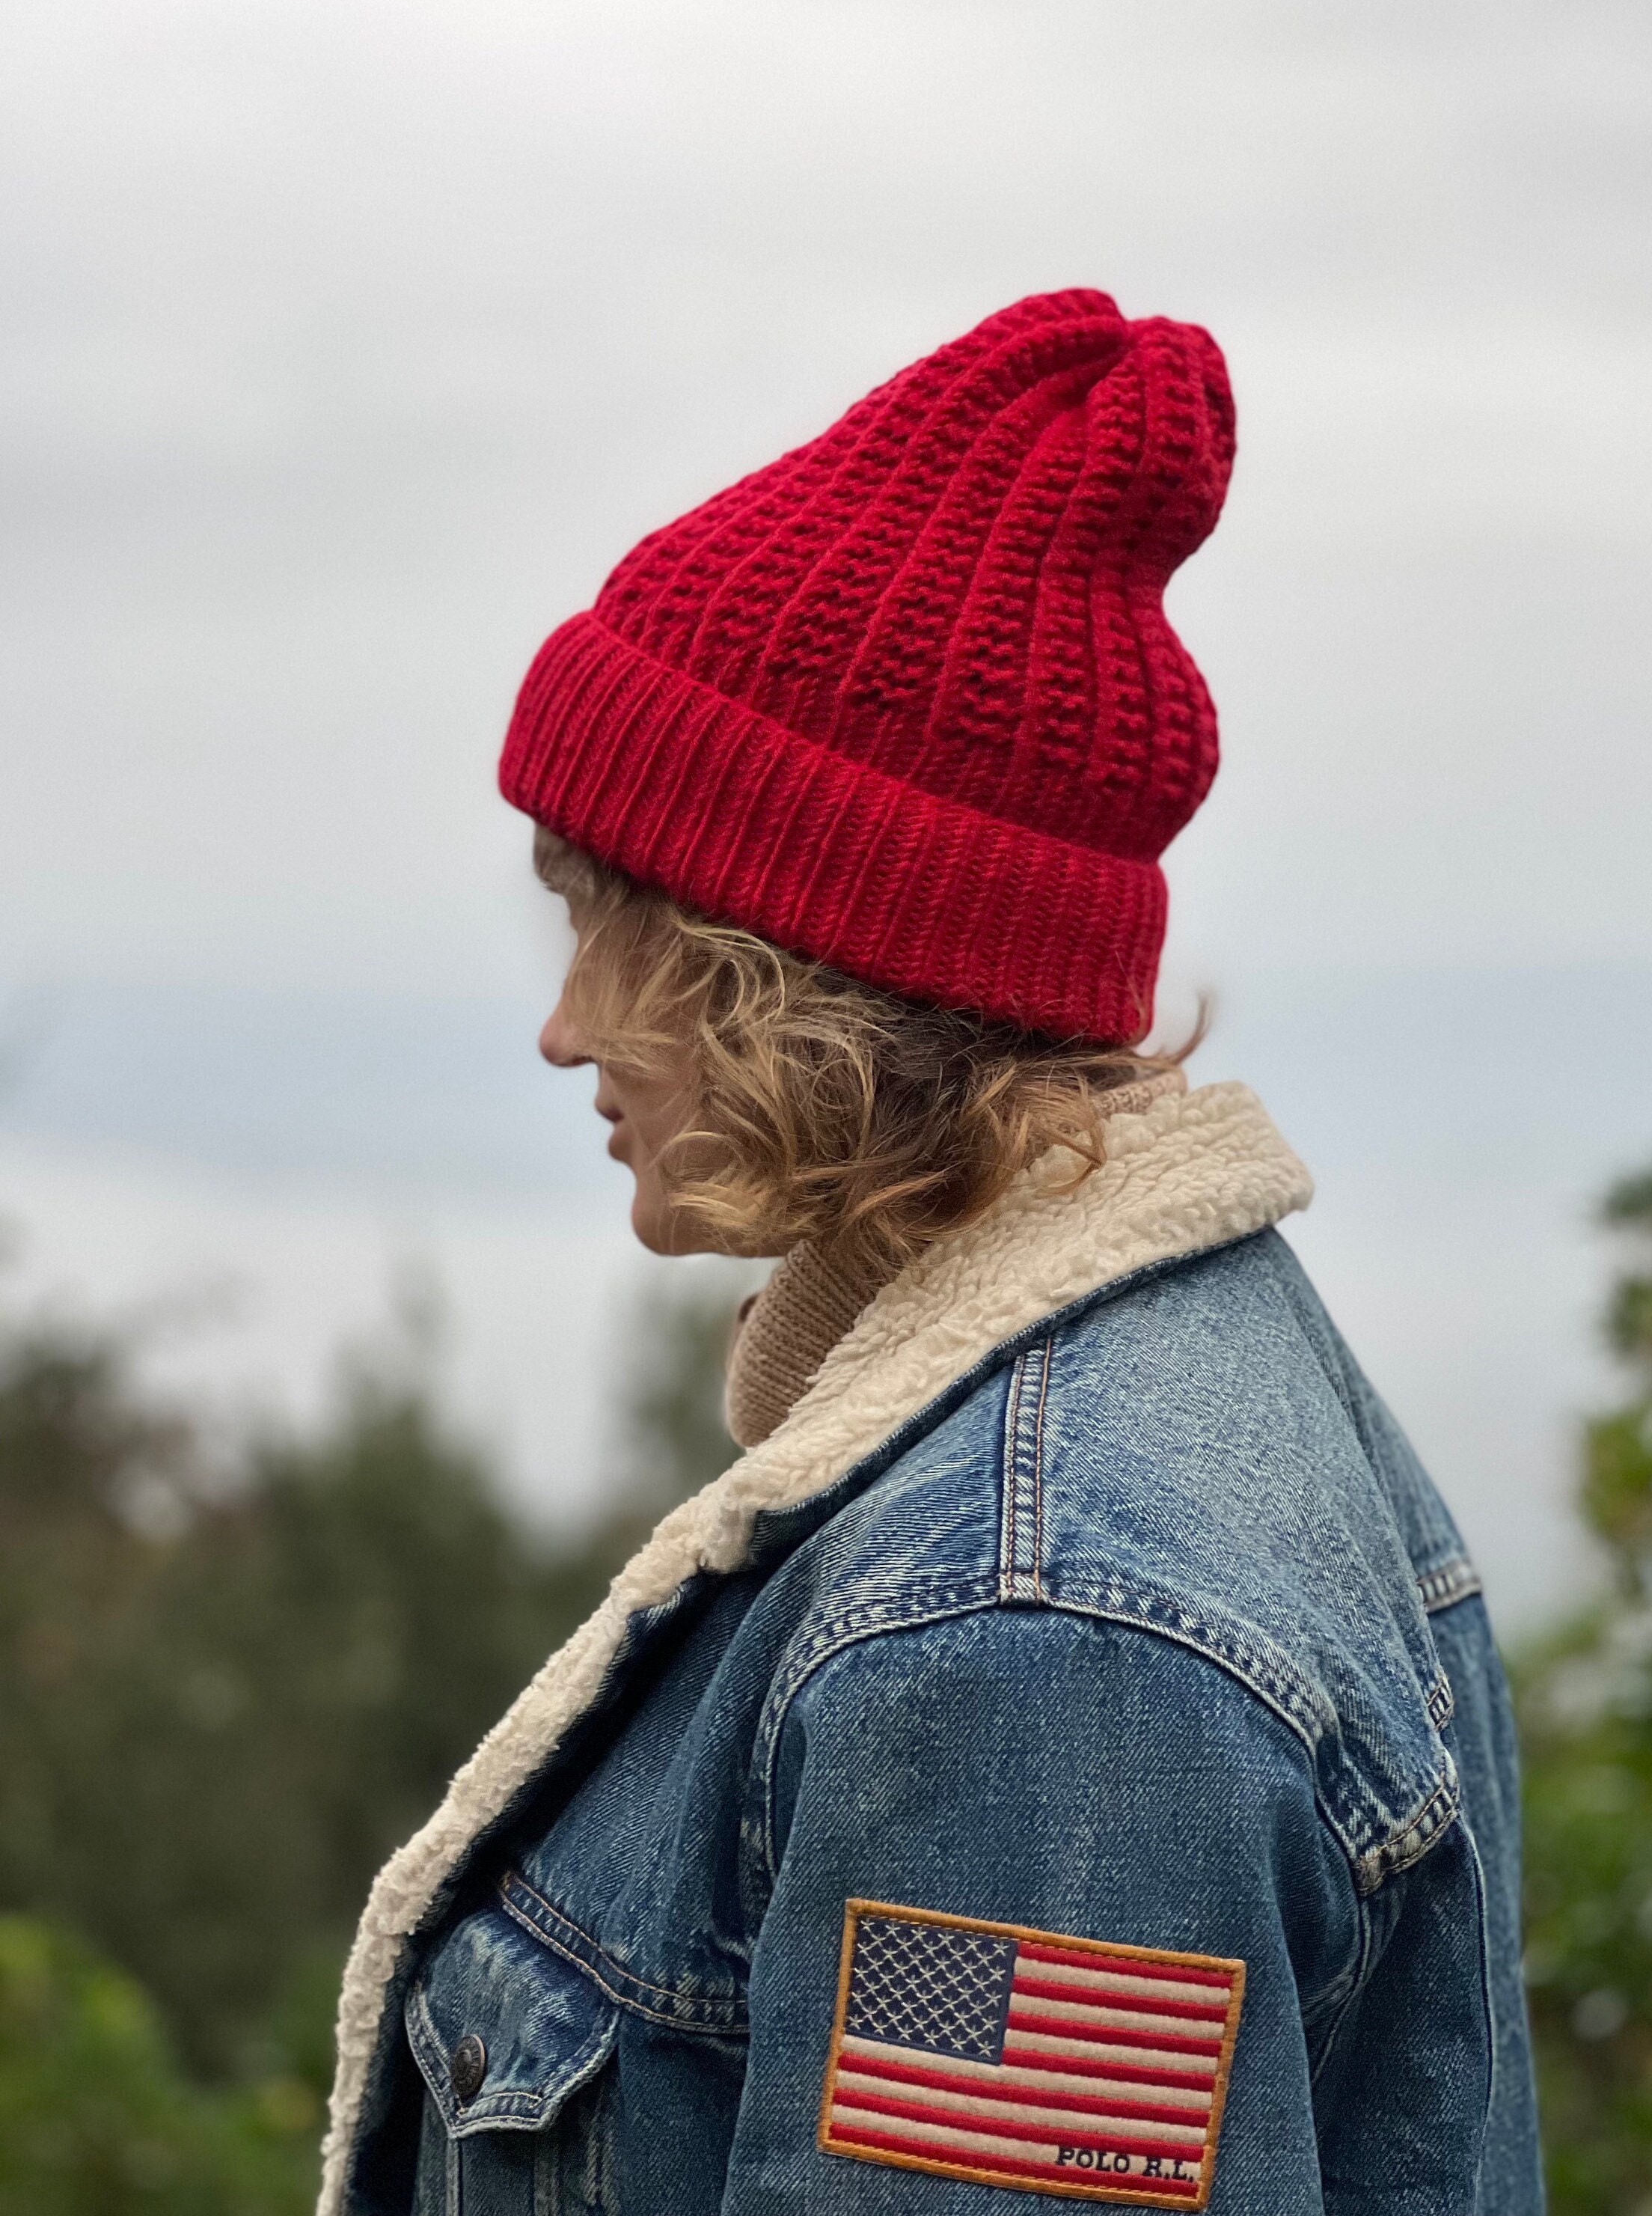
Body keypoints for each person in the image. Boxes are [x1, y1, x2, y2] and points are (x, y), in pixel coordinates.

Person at [317, 290, 1541, 2215]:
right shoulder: (1186, 1404)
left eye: (605, 923)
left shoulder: (1035, 1647)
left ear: (776, 959)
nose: (563, 1027)